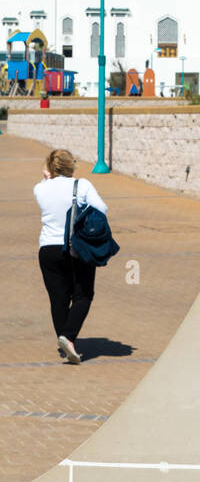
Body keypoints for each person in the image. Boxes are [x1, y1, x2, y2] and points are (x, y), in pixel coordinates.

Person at [33, 149, 108, 365]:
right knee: (83, 295)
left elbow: (44, 188)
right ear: (70, 165)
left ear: (49, 167)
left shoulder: (40, 189)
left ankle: (66, 345)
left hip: (48, 250)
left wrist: (45, 177)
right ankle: (68, 336)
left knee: (59, 298)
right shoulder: (81, 185)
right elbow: (101, 208)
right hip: (77, 248)